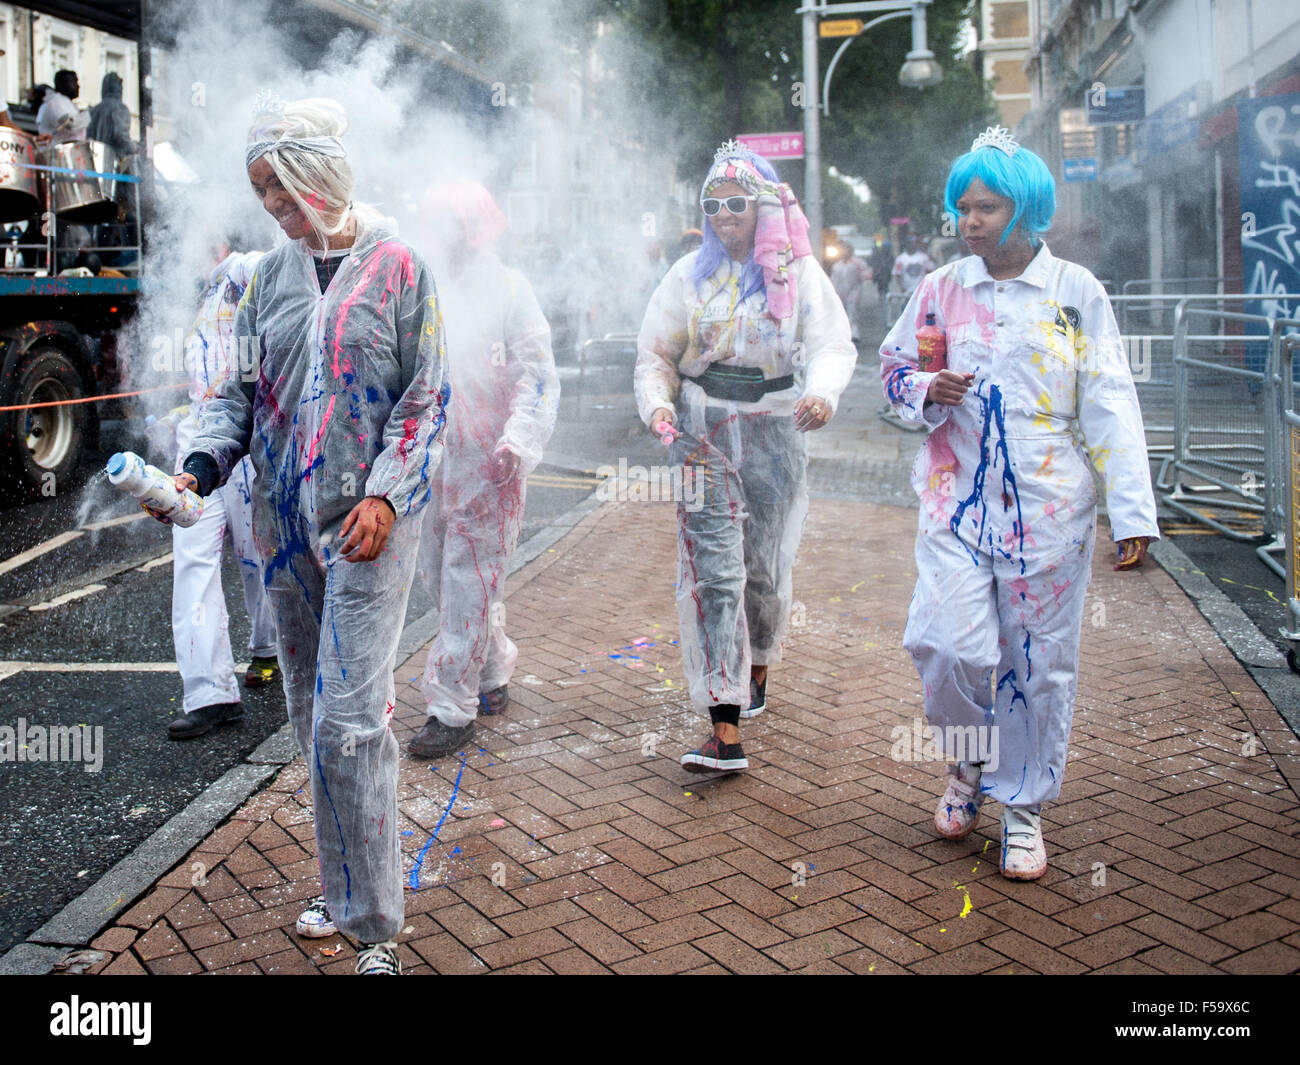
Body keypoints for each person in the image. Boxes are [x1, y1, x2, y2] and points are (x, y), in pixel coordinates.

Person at [173, 96, 448, 974]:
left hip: (372, 528)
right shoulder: (267, 280)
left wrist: (389, 495)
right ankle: (339, 889)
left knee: (354, 723)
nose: (273, 211)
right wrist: (197, 468)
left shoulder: (401, 268)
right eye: (261, 197)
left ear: (318, 176)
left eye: (281, 193)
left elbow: (427, 396)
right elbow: (237, 396)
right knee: (309, 716)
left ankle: (376, 929)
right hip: (283, 531)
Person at [879, 126, 1159, 880]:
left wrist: (1132, 511)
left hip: (1048, 511)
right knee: (946, 642)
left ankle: (1025, 806)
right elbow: (894, 369)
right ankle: (969, 763)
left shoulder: (1075, 293)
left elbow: (1109, 401)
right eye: (962, 207)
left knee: (1037, 662)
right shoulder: (939, 289)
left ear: (1025, 209)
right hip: (953, 500)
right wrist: (921, 391)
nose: (968, 222)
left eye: (986, 207)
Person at [636, 140, 857, 773]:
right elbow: (655, 352)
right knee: (713, 571)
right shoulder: (687, 276)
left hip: (773, 430)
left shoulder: (798, 274)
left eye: (737, 202)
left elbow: (832, 344)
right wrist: (658, 405)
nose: (725, 214)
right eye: (713, 203)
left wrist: (821, 393)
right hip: (703, 433)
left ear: (762, 206)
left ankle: (758, 662)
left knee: (762, 568)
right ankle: (723, 722)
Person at [407, 181, 559, 759]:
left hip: (490, 463)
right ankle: (492, 673)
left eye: (455, 223)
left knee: (468, 579)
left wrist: (517, 440)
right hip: (433, 460)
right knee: (442, 578)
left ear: (476, 228)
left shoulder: (509, 289)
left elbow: (537, 375)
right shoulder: (424, 287)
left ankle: (451, 706)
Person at [151, 243, 280, 740]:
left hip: (248, 446)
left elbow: (275, 270)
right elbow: (208, 389)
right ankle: (210, 694)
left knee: (261, 558)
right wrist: (180, 420)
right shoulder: (205, 299)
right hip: (199, 454)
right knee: (193, 563)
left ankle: (272, 649)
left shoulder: (243, 268)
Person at [830, 241, 872, 342]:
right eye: (843, 250)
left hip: (854, 290)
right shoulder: (837, 265)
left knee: (852, 311)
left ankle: (854, 333)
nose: (845, 252)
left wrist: (863, 277)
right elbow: (833, 279)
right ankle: (842, 334)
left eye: (847, 250)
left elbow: (868, 273)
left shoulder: (858, 263)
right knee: (841, 312)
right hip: (840, 291)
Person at [36, 70, 87, 144]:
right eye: (73, 82)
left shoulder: (67, 103)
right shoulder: (56, 102)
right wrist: (89, 115)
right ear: (62, 84)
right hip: (56, 153)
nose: (78, 86)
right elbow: (71, 126)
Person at [891, 234, 935, 298]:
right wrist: (902, 288)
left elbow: (931, 272)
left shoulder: (923, 257)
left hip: (921, 292)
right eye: (910, 243)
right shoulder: (900, 259)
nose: (913, 244)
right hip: (907, 293)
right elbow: (897, 274)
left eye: (915, 242)